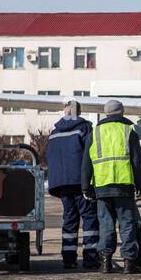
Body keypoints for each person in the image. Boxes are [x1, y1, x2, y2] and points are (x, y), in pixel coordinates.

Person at [83, 99, 141, 274]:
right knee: (127, 224)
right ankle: (129, 263)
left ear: (106, 113)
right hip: (124, 186)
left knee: (106, 224)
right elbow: (137, 161)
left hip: (102, 186)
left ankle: (105, 263)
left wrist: (85, 186)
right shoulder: (128, 131)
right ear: (122, 112)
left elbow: (86, 163)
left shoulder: (95, 133)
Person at [47, 101, 99, 270]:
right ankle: (91, 258)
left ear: (64, 112)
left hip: (60, 183)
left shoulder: (54, 132)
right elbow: (89, 155)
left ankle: (68, 258)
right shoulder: (84, 129)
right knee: (89, 218)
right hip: (79, 181)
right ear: (80, 112)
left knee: (69, 218)